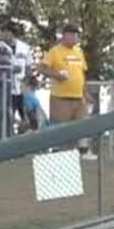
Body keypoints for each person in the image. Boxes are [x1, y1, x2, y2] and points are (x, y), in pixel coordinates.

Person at [38, 24, 93, 158]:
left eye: (77, 35)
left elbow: (82, 73)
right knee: (60, 127)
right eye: (72, 35)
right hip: (61, 97)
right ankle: (59, 153)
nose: (75, 38)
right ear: (65, 35)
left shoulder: (78, 52)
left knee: (83, 124)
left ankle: (83, 151)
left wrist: (85, 92)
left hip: (78, 97)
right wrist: (57, 75)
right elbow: (42, 68)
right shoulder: (55, 51)